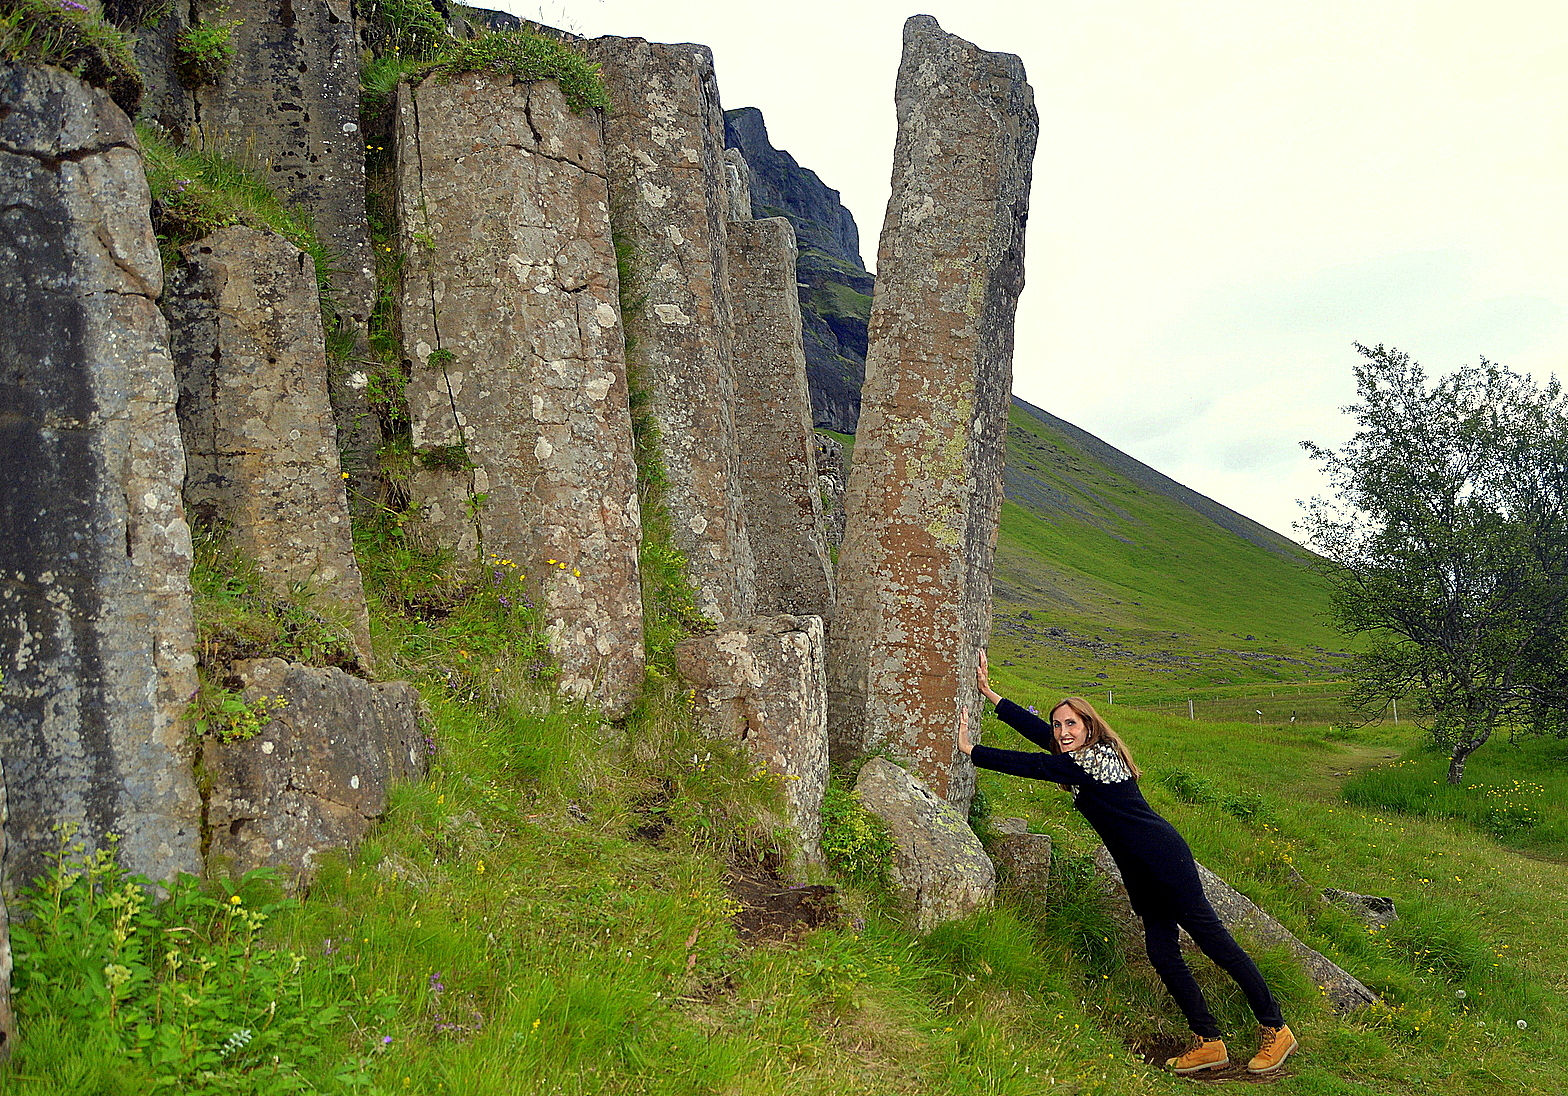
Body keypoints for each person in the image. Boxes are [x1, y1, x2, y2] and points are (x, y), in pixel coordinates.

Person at [956, 651, 1298, 1075]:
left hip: (1164, 859)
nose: (1062, 732)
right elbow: (1043, 739)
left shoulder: (1096, 757)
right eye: (1059, 724)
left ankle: (1276, 1028)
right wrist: (992, 696)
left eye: (1071, 724)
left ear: (1090, 727)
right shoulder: (1078, 753)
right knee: (1162, 952)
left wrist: (973, 750)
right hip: (1139, 868)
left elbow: (1038, 764)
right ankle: (1209, 1041)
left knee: (1217, 945)